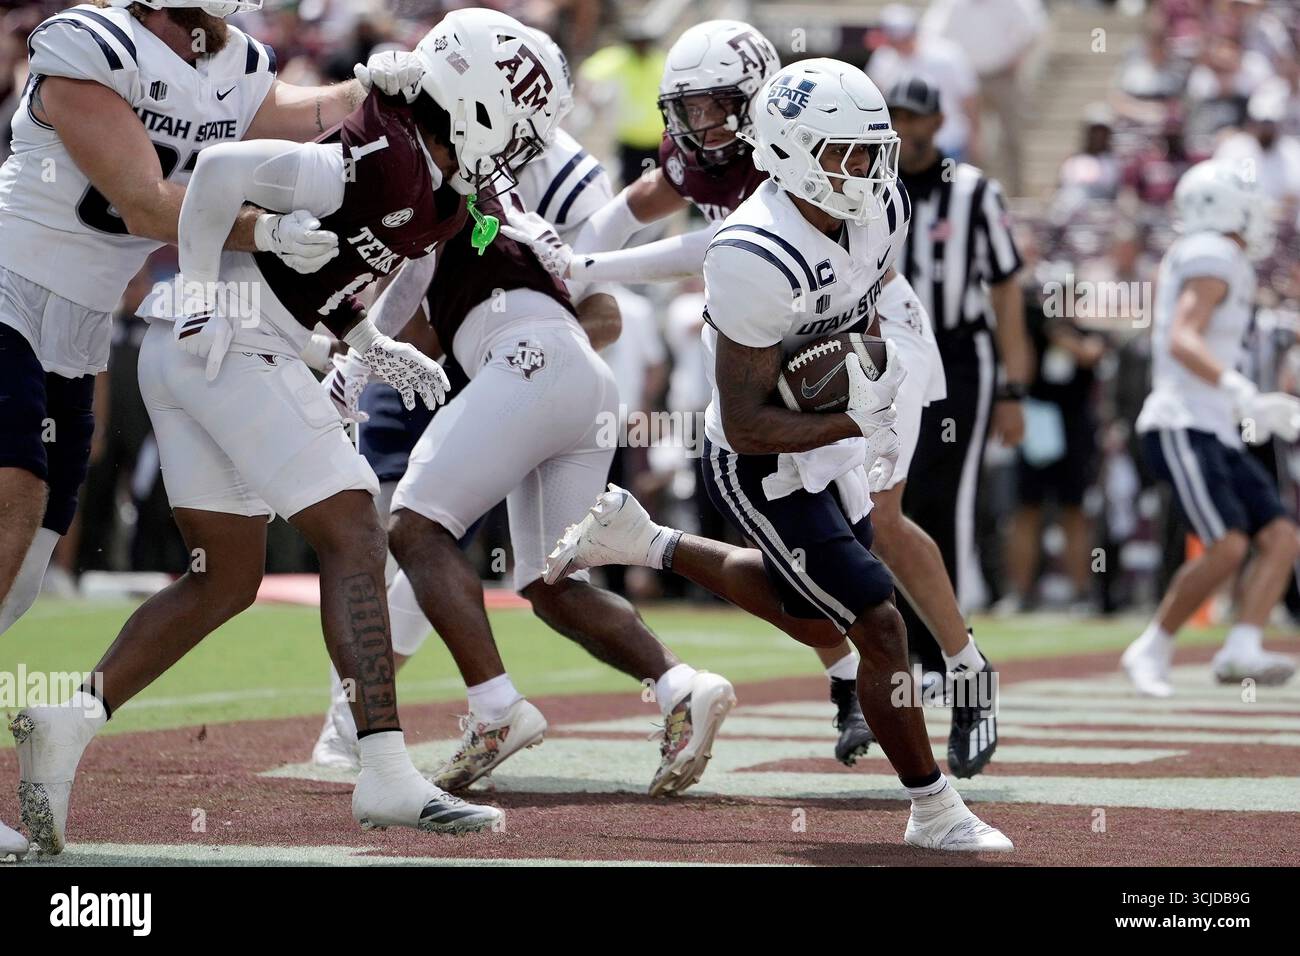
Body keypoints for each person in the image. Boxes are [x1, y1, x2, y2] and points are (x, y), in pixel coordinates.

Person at [10, 8, 556, 854]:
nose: (526, 145)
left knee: (224, 577)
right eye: (524, 120)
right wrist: (201, 289)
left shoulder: (439, 184)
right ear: (482, 100)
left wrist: (365, 347)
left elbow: (346, 265)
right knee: (354, 532)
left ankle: (69, 718)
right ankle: (383, 773)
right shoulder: (385, 153)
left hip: (203, 350)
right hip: (224, 340)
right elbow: (224, 170)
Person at [550, 60, 1013, 851]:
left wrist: (871, 363)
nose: (871, 169)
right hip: (760, 460)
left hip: (830, 428)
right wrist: (855, 415)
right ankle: (933, 808)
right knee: (876, 621)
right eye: (849, 153)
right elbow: (749, 420)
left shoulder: (878, 202)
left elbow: (867, 285)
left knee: (811, 605)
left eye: (875, 150)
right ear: (796, 155)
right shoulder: (752, 255)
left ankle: (646, 541)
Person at [507, 19, 883, 766]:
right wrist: (565, 247)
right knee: (823, 569)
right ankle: (864, 675)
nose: (701, 124)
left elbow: (714, 247)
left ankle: (871, 669)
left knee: (848, 550)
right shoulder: (701, 158)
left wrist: (590, 267)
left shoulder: (793, 153)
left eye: (715, 105)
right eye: (690, 108)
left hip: (827, 351)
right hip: (763, 375)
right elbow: (635, 205)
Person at [1124, 159, 1299, 696]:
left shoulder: (1214, 255)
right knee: (1227, 545)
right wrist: (1241, 391)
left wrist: (1243, 405)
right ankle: (1151, 646)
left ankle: (1242, 647)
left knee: (1280, 536)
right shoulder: (1213, 254)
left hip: (1212, 425)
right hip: (1183, 421)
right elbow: (1183, 337)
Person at [887, 76, 1031, 684]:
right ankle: (902, 647)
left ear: (939, 121)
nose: (906, 130)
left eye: (916, 117)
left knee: (946, 500)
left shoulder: (972, 191)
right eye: (895, 117)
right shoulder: (871, 187)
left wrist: (1012, 387)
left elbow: (1005, 288)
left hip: (958, 353)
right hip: (889, 350)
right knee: (889, 498)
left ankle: (947, 649)